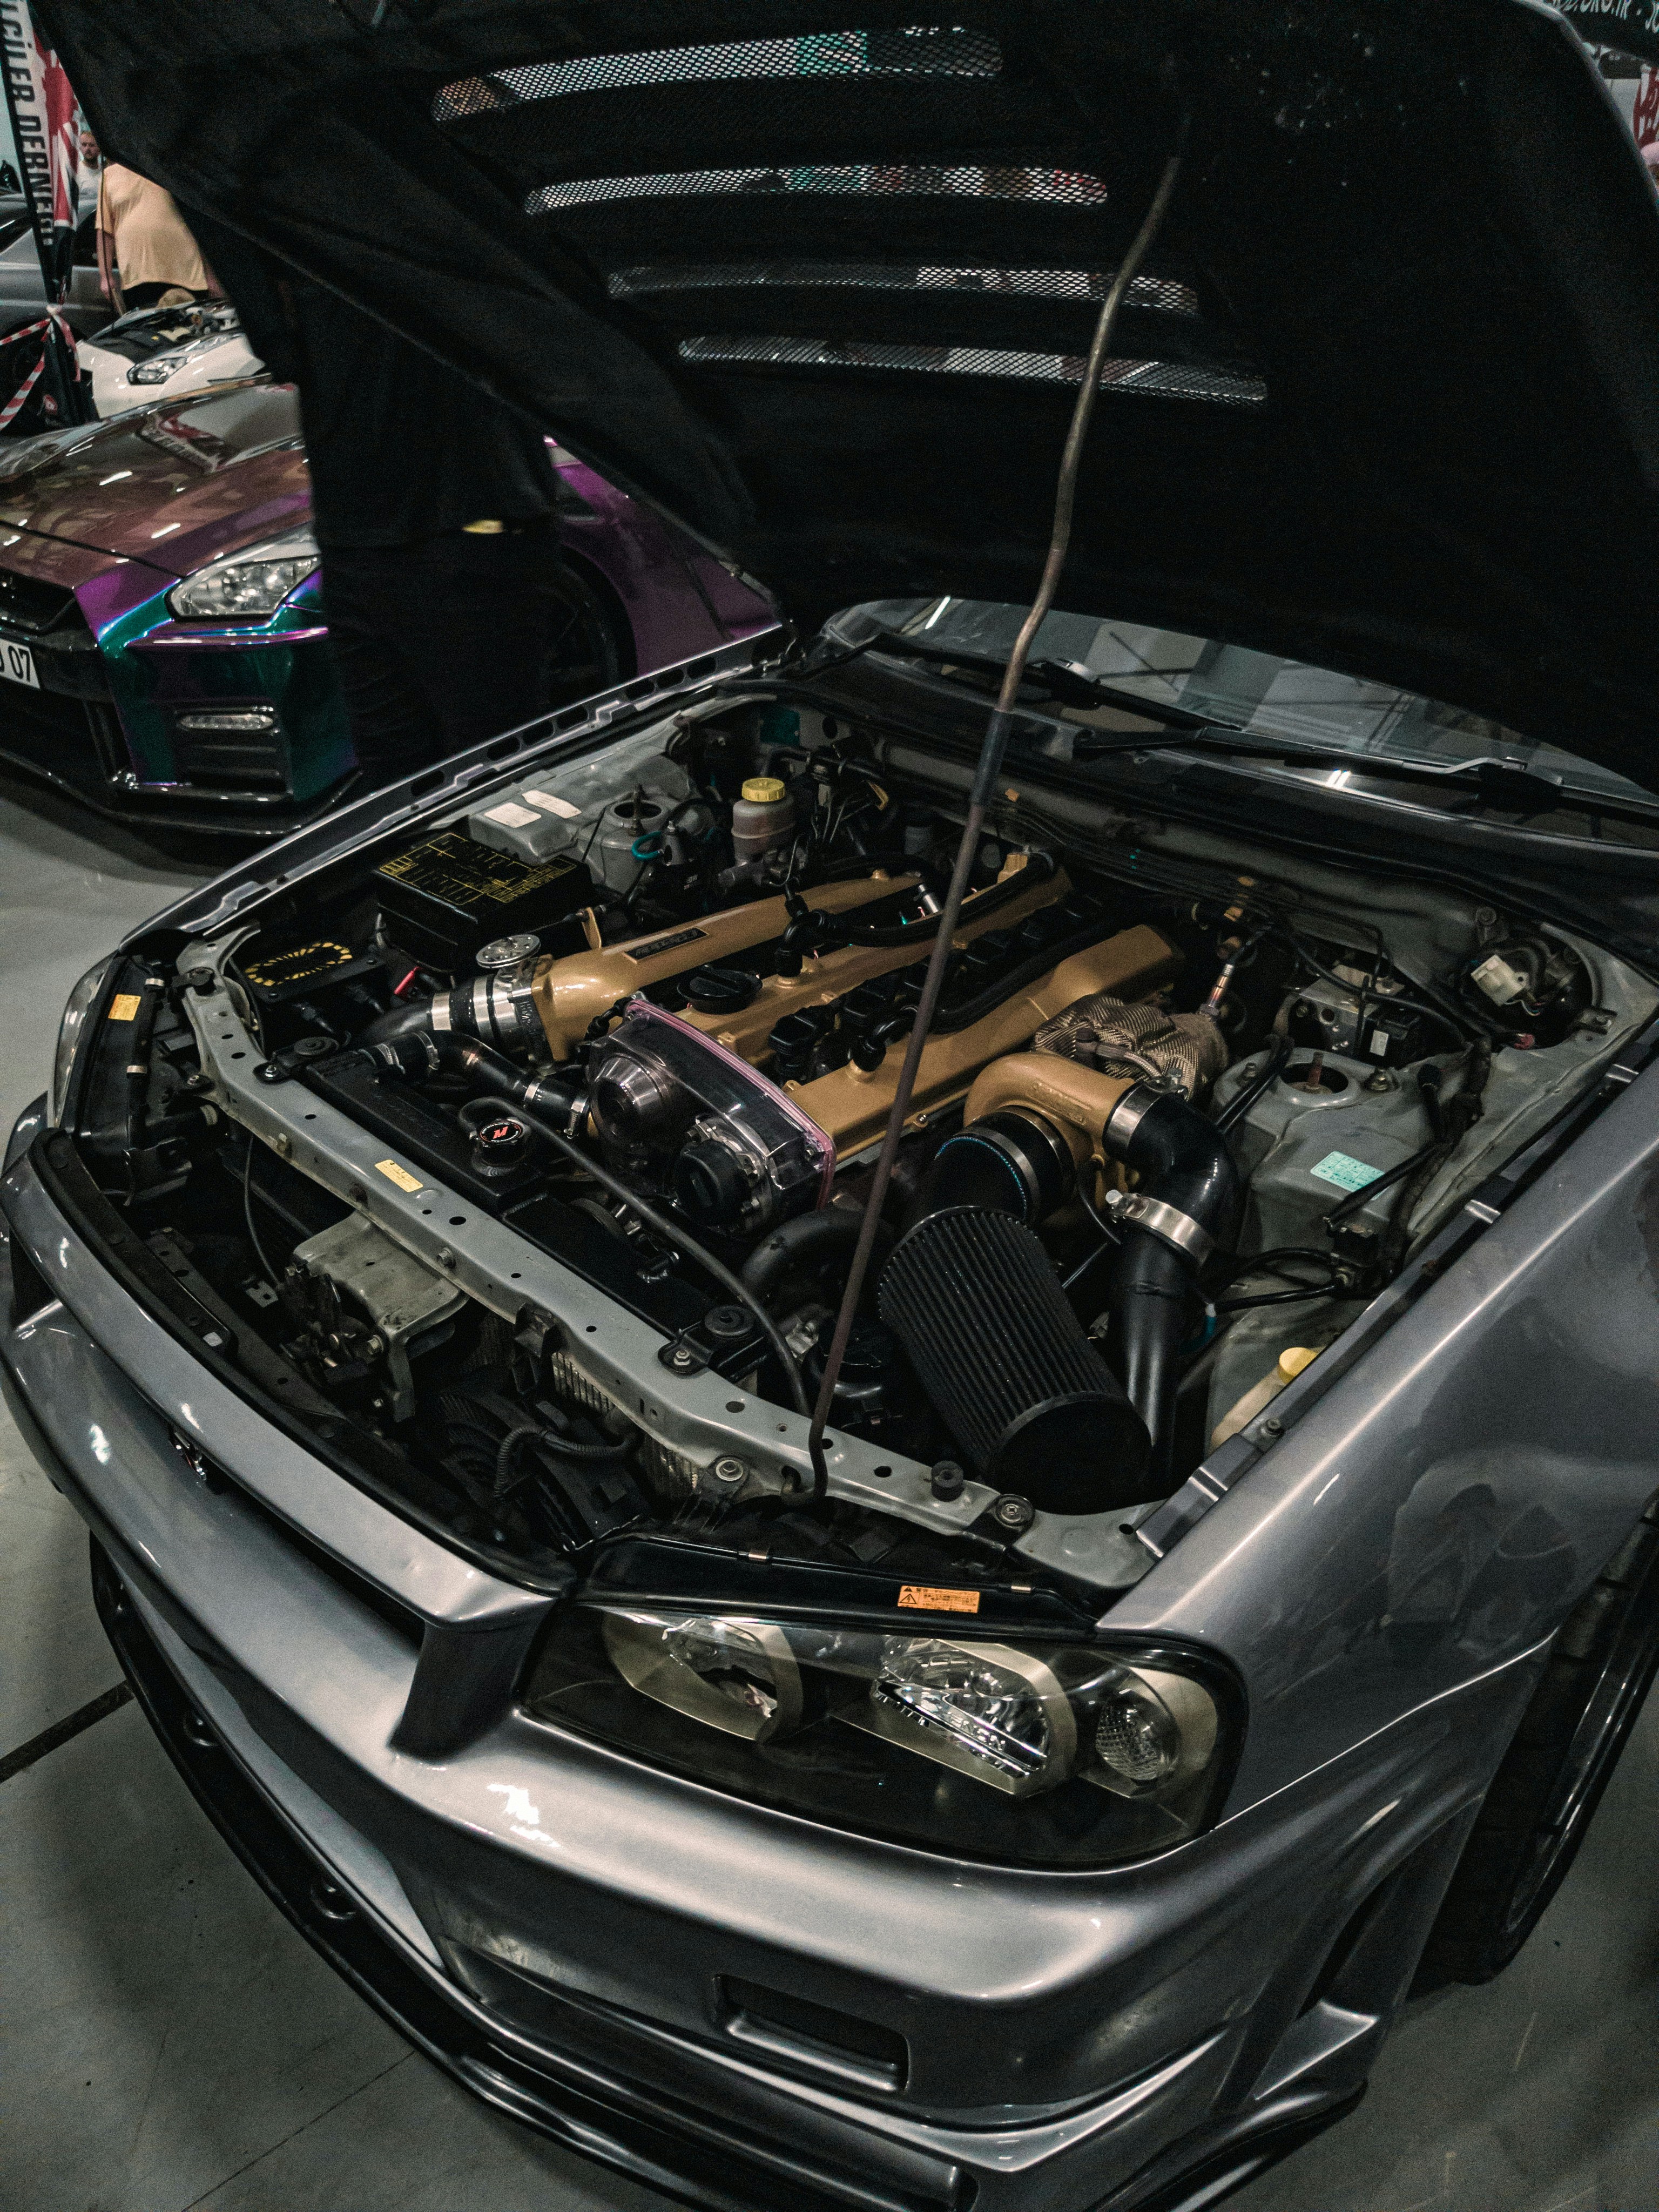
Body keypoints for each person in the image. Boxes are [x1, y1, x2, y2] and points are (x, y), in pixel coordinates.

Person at [191, 221, 564, 786]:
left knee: (464, 786)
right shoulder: (382, 212)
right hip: (410, 529)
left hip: (436, 526)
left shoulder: (328, 213)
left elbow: (274, 336)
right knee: (464, 786)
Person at [96, 162, 214, 311]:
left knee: (191, 332)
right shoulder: (109, 175)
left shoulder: (180, 168)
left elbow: (203, 225)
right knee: (148, 333)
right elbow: (105, 231)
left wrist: (212, 276)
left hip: (188, 275)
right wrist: (105, 277)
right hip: (138, 278)